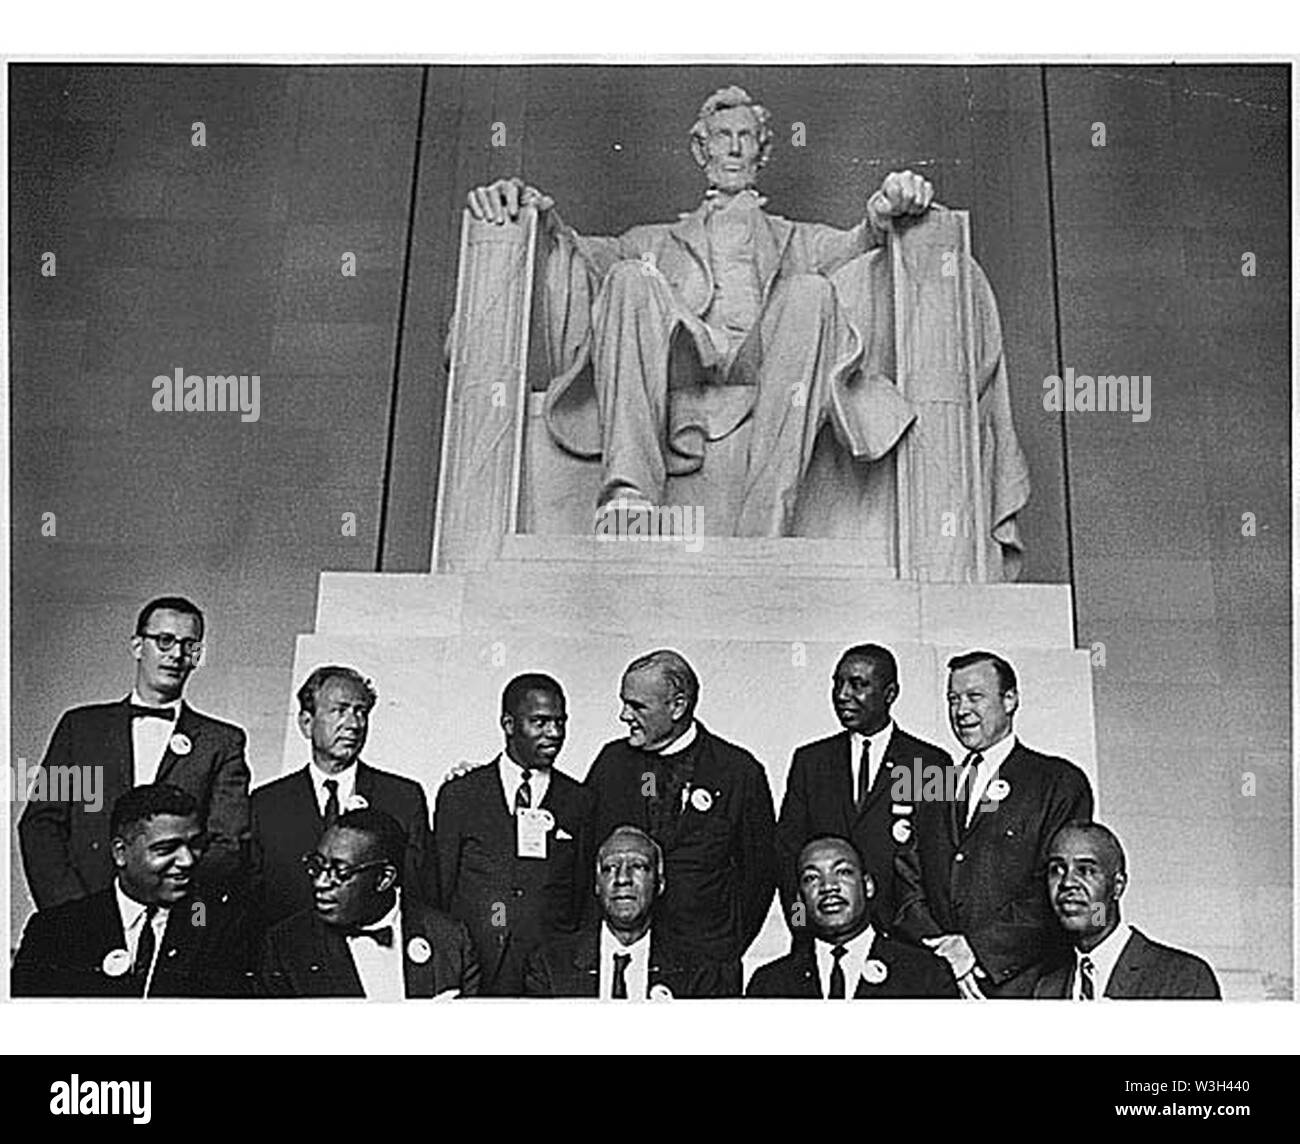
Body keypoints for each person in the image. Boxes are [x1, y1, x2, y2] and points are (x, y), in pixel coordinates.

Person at [467, 85, 934, 535]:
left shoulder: (798, 239)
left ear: (762, 152)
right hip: (684, 359)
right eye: (721, 136)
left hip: (768, 360)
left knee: (811, 291)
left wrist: (884, 208)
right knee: (631, 278)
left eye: (745, 136)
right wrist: (535, 215)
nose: (733, 148)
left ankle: (765, 523)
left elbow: (858, 244)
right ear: (700, 150)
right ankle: (631, 499)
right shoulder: (651, 242)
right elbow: (576, 254)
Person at [19, 595, 250, 909]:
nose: (177, 655)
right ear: (138, 647)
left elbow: (227, 844)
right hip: (80, 915)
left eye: (189, 645)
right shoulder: (79, 728)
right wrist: (72, 912)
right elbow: (40, 825)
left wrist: (172, 906)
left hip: (173, 924)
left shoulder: (221, 742)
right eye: (165, 641)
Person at [894, 651, 1094, 997]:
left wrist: (976, 950)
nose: (961, 711)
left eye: (975, 697)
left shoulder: (1057, 781)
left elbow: (1057, 886)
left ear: (1011, 700)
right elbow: (907, 877)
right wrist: (946, 955)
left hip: (1026, 988)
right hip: (937, 983)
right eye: (953, 699)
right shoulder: (932, 781)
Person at [583, 649, 776, 994]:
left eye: (637, 706)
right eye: (624, 702)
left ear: (678, 706)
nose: (623, 715)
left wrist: (722, 948)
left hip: (707, 970)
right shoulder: (611, 765)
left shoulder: (738, 773)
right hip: (625, 965)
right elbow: (584, 857)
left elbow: (759, 878)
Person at [431, 673, 595, 995]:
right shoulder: (460, 795)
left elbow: (583, 894)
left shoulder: (580, 801)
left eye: (560, 722)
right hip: (474, 966)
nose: (555, 733)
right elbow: (441, 885)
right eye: (540, 722)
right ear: (508, 723)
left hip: (548, 971)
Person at [12, 783, 251, 997]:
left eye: (195, 845)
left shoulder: (217, 924)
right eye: (166, 849)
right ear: (120, 852)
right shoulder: (55, 930)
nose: (187, 860)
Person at [776, 643, 951, 932]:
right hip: (826, 939)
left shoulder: (929, 763)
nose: (843, 695)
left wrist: (925, 932)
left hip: (902, 942)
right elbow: (787, 860)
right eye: (838, 684)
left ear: (890, 693)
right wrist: (801, 926)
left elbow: (936, 862)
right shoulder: (811, 761)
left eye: (858, 685)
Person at [250, 666, 434, 930]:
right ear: (306, 722)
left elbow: (420, 895)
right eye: (340, 710)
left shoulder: (403, 798)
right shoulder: (266, 804)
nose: (354, 724)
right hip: (290, 960)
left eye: (361, 712)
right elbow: (253, 902)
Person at [259, 808, 479, 999]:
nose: (320, 882)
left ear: (384, 878)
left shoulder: (450, 938)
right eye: (318, 865)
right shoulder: (286, 946)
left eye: (341, 871)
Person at [524, 825, 730, 999]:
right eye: (610, 867)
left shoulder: (699, 972)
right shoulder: (550, 965)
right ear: (597, 885)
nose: (623, 878)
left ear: (660, 883)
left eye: (638, 866)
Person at [746, 835, 955, 998]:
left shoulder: (925, 975)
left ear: (868, 886)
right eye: (812, 878)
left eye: (843, 872)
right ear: (800, 898)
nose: (828, 886)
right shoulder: (769, 985)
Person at [1035, 821, 1221, 1000]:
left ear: (1117, 886)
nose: (1067, 883)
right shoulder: (1047, 989)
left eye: (1085, 870)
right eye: (1057, 869)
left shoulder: (1184, 978)